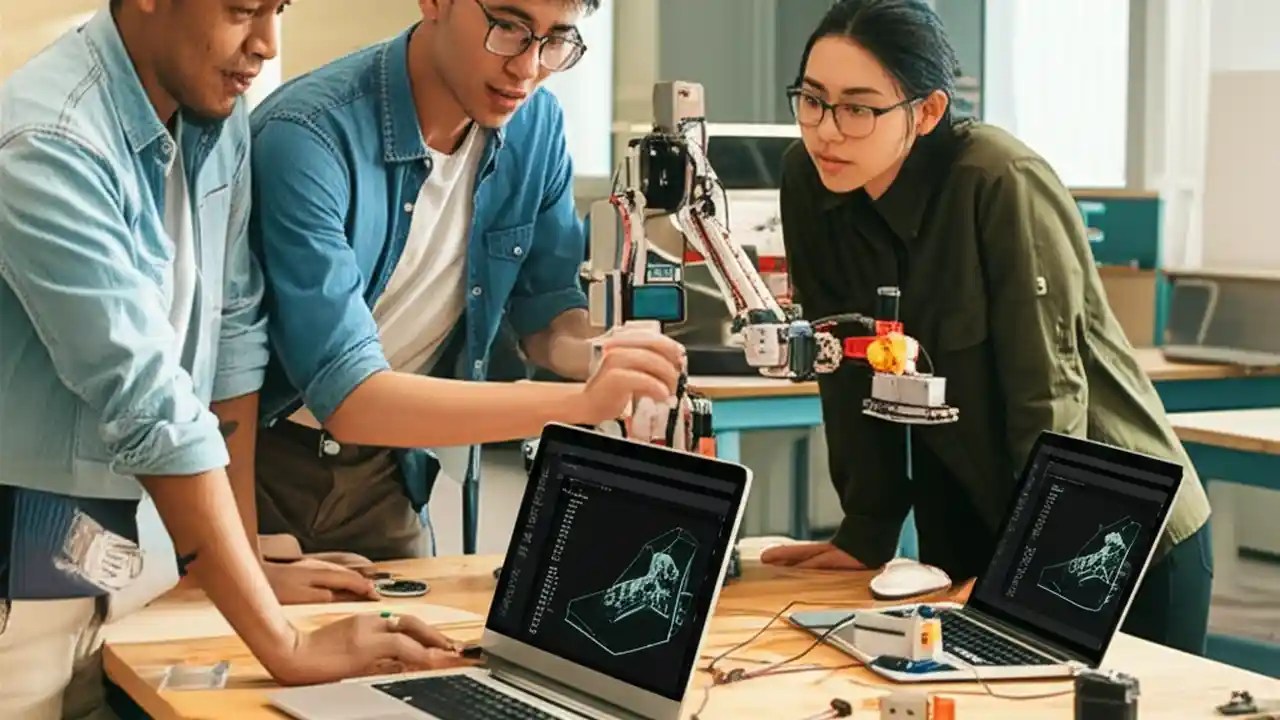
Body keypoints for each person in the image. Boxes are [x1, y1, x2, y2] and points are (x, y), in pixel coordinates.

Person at [0, 2, 468, 717]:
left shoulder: (214, 121)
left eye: (277, 9)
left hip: (136, 576)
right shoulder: (49, 139)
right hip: (22, 604)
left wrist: (243, 560)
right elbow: (152, 405)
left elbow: (233, 340)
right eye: (242, 9)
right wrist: (282, 642)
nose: (266, 44)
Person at [760, 0, 1214, 656]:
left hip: (1110, 529)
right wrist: (865, 532)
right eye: (811, 99)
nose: (826, 130)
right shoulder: (809, 181)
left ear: (928, 111)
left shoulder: (997, 181)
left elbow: (1050, 398)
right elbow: (844, 361)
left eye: (858, 107)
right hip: (972, 522)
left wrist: (1031, 567)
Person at [247, 0, 684, 561]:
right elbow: (349, 396)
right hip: (261, 462)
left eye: (555, 40)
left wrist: (600, 355)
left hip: (385, 466)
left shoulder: (536, 125)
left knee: (423, 640)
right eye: (507, 27)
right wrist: (575, 402)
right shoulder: (308, 137)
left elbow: (547, 313)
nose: (527, 69)